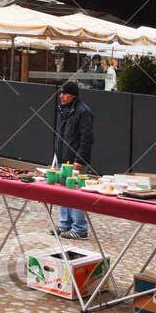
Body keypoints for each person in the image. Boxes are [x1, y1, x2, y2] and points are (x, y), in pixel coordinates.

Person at [52, 81, 95, 240]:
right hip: (63, 158)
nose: (61, 96)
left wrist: (80, 160)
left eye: (65, 94)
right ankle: (65, 224)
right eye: (61, 93)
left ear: (73, 95)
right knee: (64, 192)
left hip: (75, 160)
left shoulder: (83, 112)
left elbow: (86, 138)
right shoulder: (63, 109)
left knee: (76, 194)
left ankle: (80, 228)